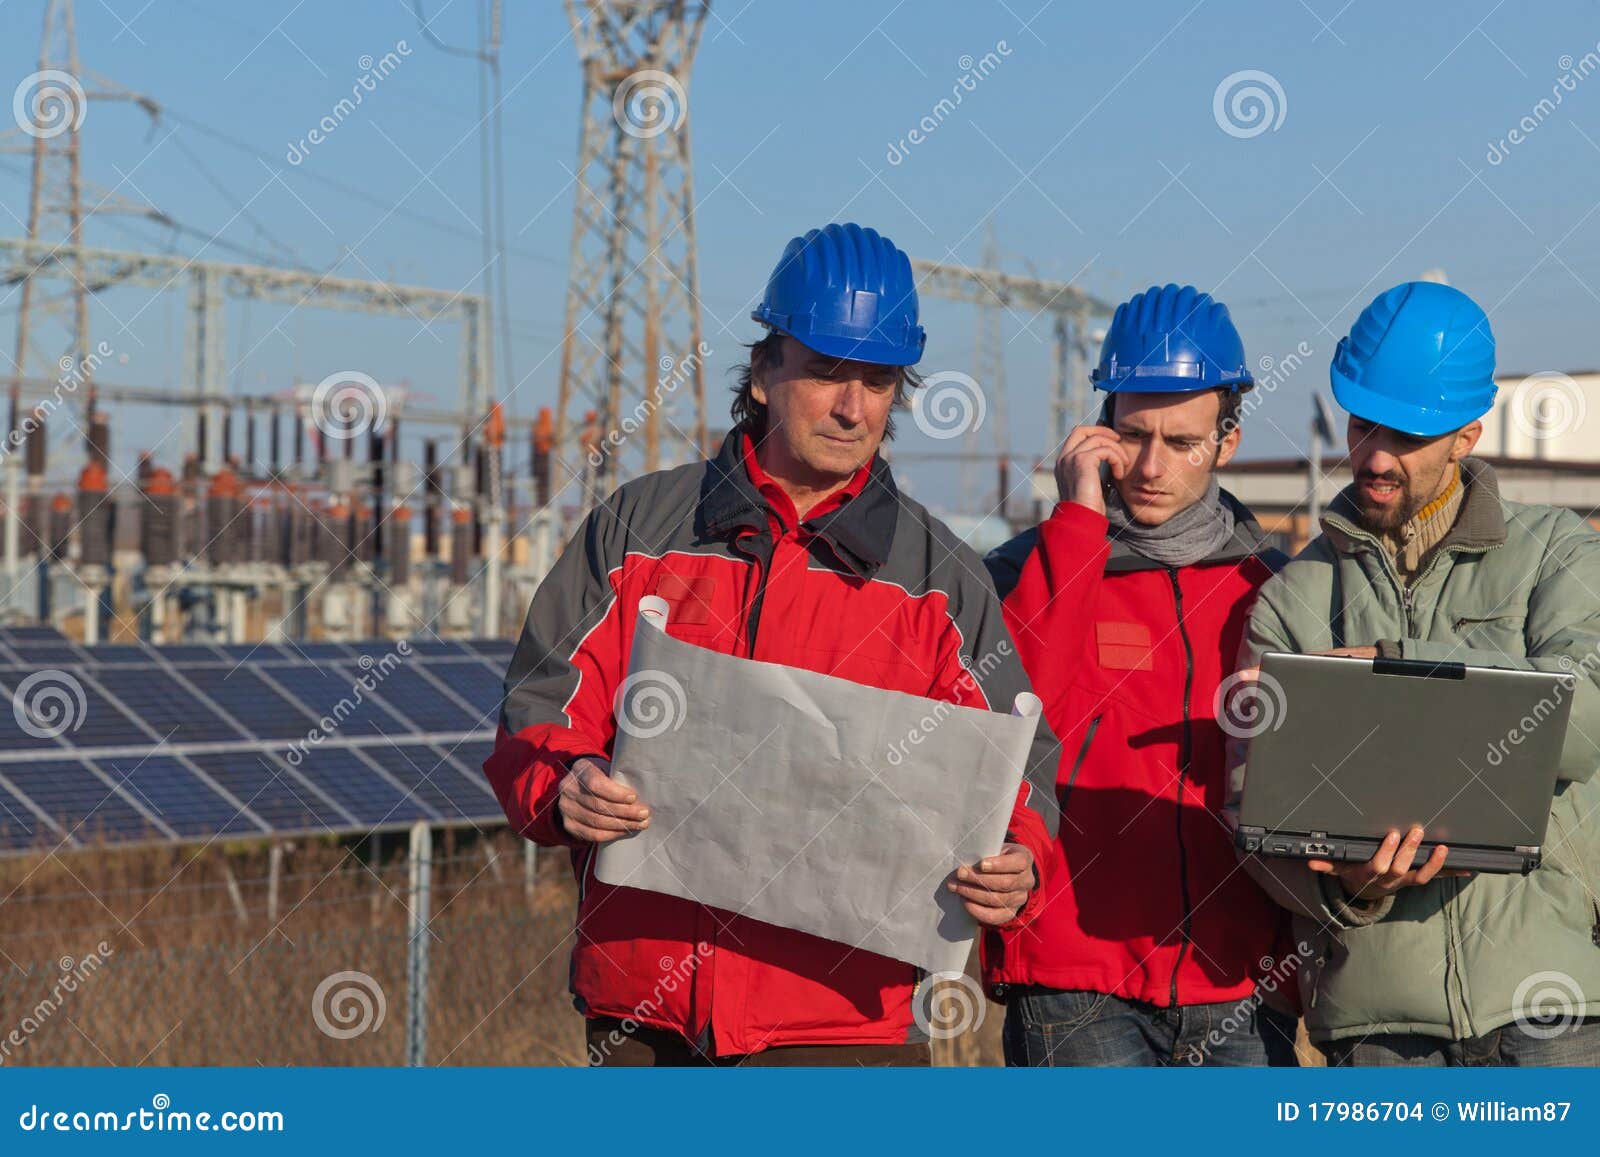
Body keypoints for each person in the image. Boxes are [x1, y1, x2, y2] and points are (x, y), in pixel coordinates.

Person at [485, 222, 1061, 1066]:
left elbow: (1019, 766)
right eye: (826, 370)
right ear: (762, 372)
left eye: (878, 379)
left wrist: (1020, 858)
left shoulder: (940, 582)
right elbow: (538, 709)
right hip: (644, 1014)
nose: (853, 404)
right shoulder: (636, 533)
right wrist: (565, 784)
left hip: (841, 1028)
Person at [1230, 280, 1600, 1066]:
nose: (1376, 456)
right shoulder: (1295, 601)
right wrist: (1349, 888)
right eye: (1363, 425)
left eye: (1407, 434)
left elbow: (1588, 713)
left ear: (1467, 434)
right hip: (1380, 1033)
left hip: (1550, 1011)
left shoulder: (1556, 553)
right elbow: (1252, 818)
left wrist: (1404, 670)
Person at [984, 284, 1298, 1066]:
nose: (1151, 466)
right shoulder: (1032, 570)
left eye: (1183, 441)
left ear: (1227, 440)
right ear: (1098, 430)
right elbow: (1016, 716)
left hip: (1238, 980)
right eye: (1133, 434)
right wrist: (1078, 526)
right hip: (1074, 979)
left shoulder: (1277, 586)